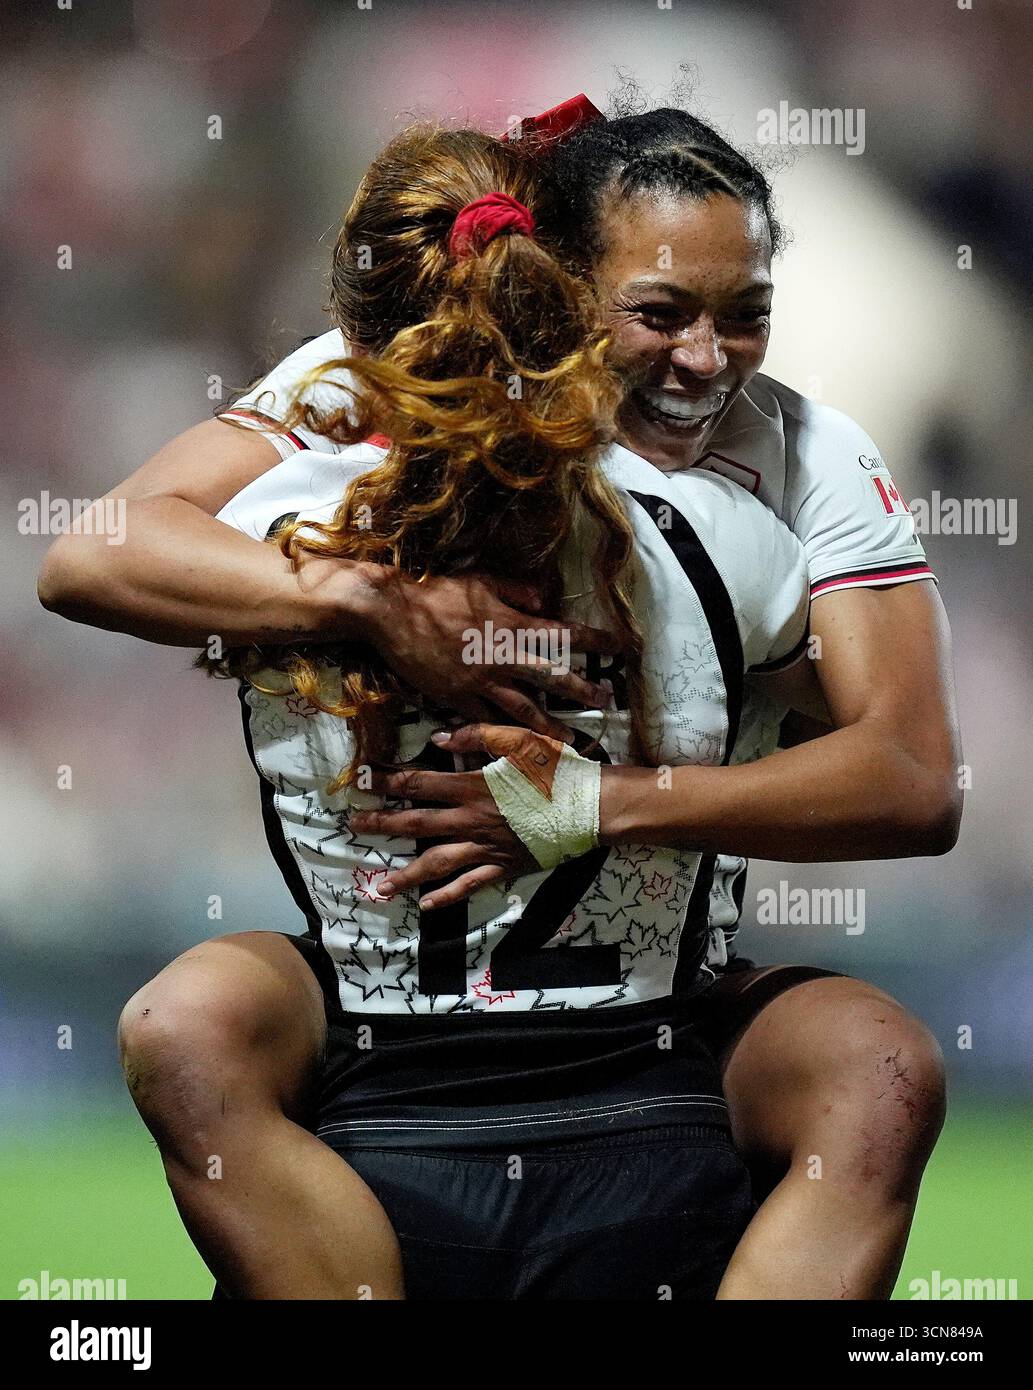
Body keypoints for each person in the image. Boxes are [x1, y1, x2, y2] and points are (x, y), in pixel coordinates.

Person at [37, 97, 961, 1299]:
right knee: (184, 1021)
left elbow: (912, 776)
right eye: (661, 314)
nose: (706, 360)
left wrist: (601, 801)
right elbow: (89, 553)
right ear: (561, 288)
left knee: (879, 1061)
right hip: (383, 993)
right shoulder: (377, 385)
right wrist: (369, 601)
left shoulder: (806, 456)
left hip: (656, 1000)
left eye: (747, 318)